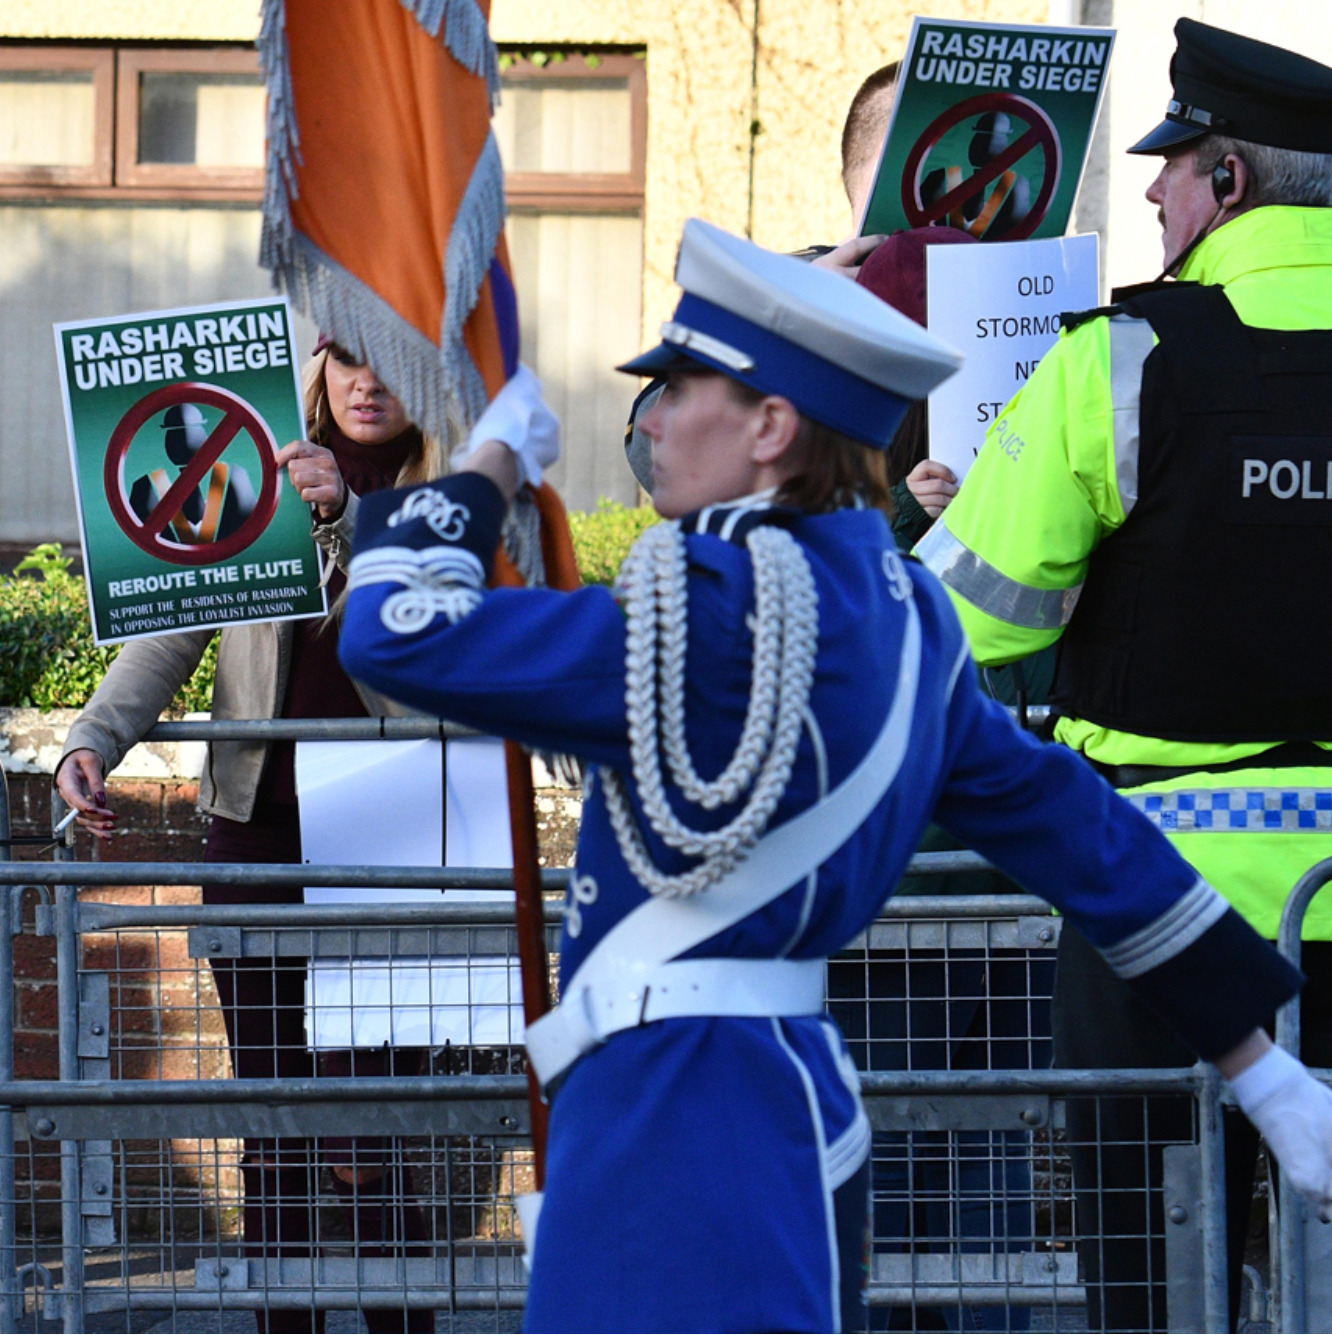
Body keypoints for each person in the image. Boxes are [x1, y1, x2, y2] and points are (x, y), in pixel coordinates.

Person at [337, 216, 1332, 1335]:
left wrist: (483, 467)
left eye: (679, 387)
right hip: (798, 1106)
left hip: (673, 1117)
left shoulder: (704, 611)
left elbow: (395, 630)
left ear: (771, 426)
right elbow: (1085, 838)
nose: (653, 419)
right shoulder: (909, 619)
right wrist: (1261, 1067)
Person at [915, 19, 1332, 1330]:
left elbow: (958, 630)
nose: (1151, 191)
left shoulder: (1121, 361)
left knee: (1150, 1288)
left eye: (1173, 165)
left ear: (1230, 181)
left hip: (1156, 919)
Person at [56, 340, 456, 1335]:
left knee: (370, 1129)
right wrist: (94, 736)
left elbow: (469, 621)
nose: (369, 382)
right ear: (316, 364)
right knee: (270, 1121)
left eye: (395, 359)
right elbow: (171, 632)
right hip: (254, 830)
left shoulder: (464, 493)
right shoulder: (253, 466)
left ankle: (400, 1323)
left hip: (388, 829)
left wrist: (351, 522)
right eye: (348, 356)